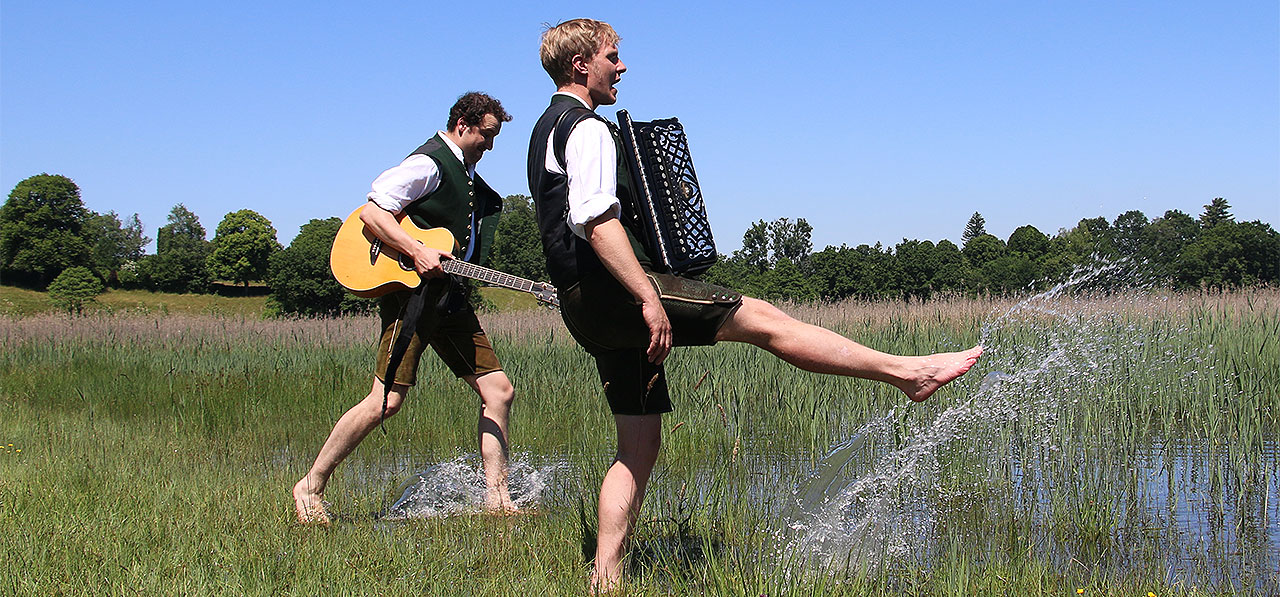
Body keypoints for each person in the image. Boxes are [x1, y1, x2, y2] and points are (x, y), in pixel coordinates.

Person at [527, 19, 984, 589]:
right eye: (612, 57)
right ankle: (908, 372)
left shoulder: (544, 128)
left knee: (638, 442)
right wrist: (647, 296)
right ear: (581, 65)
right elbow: (595, 219)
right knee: (765, 320)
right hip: (614, 291)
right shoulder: (588, 128)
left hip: (582, 308)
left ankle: (606, 576)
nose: (621, 67)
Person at [293, 92, 519, 524]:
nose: (489, 145)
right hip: (412, 298)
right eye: (486, 136)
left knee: (499, 391)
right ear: (462, 124)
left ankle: (496, 498)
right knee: (387, 400)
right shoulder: (430, 163)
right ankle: (311, 485)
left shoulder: (467, 174)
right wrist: (415, 249)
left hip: (448, 295)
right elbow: (374, 213)